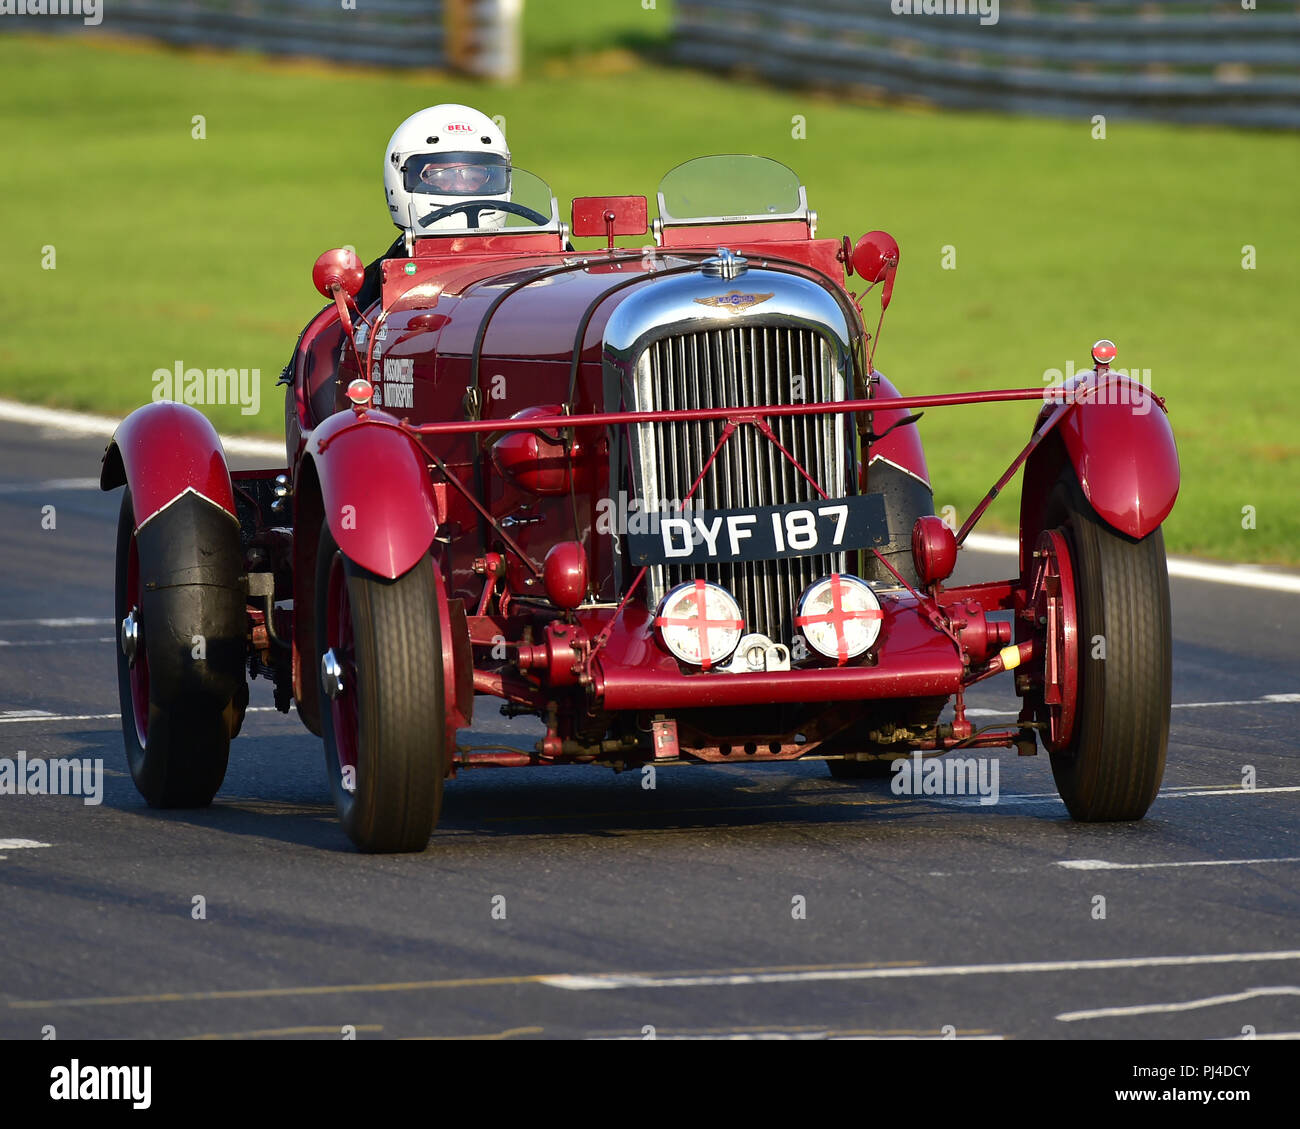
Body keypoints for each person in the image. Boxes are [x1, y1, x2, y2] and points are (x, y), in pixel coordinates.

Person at [353, 103, 511, 309]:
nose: (459, 187)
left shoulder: (537, 260)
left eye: (475, 175)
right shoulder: (373, 289)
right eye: (438, 175)